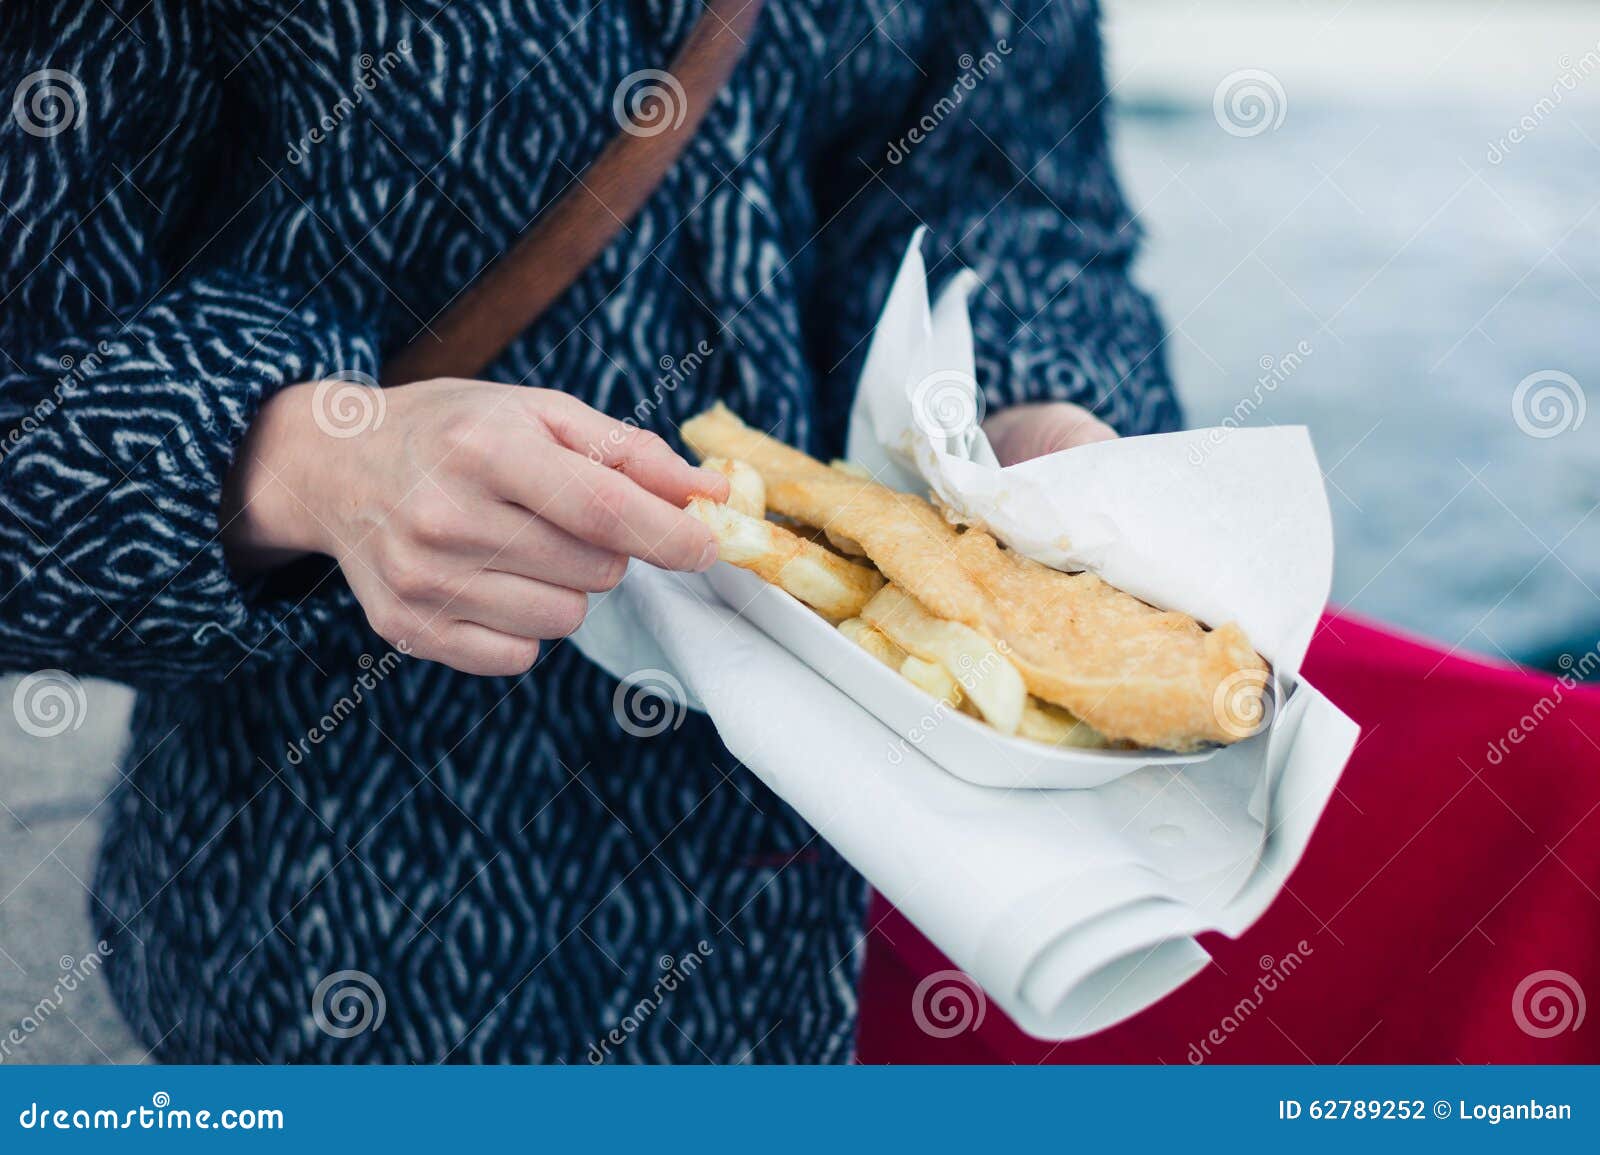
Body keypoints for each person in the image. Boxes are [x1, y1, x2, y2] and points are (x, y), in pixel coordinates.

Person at [0, 0, 1178, 1062]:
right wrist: (304, 460)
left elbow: (1011, 193)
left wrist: (1031, 406)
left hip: (833, 927)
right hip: (343, 934)